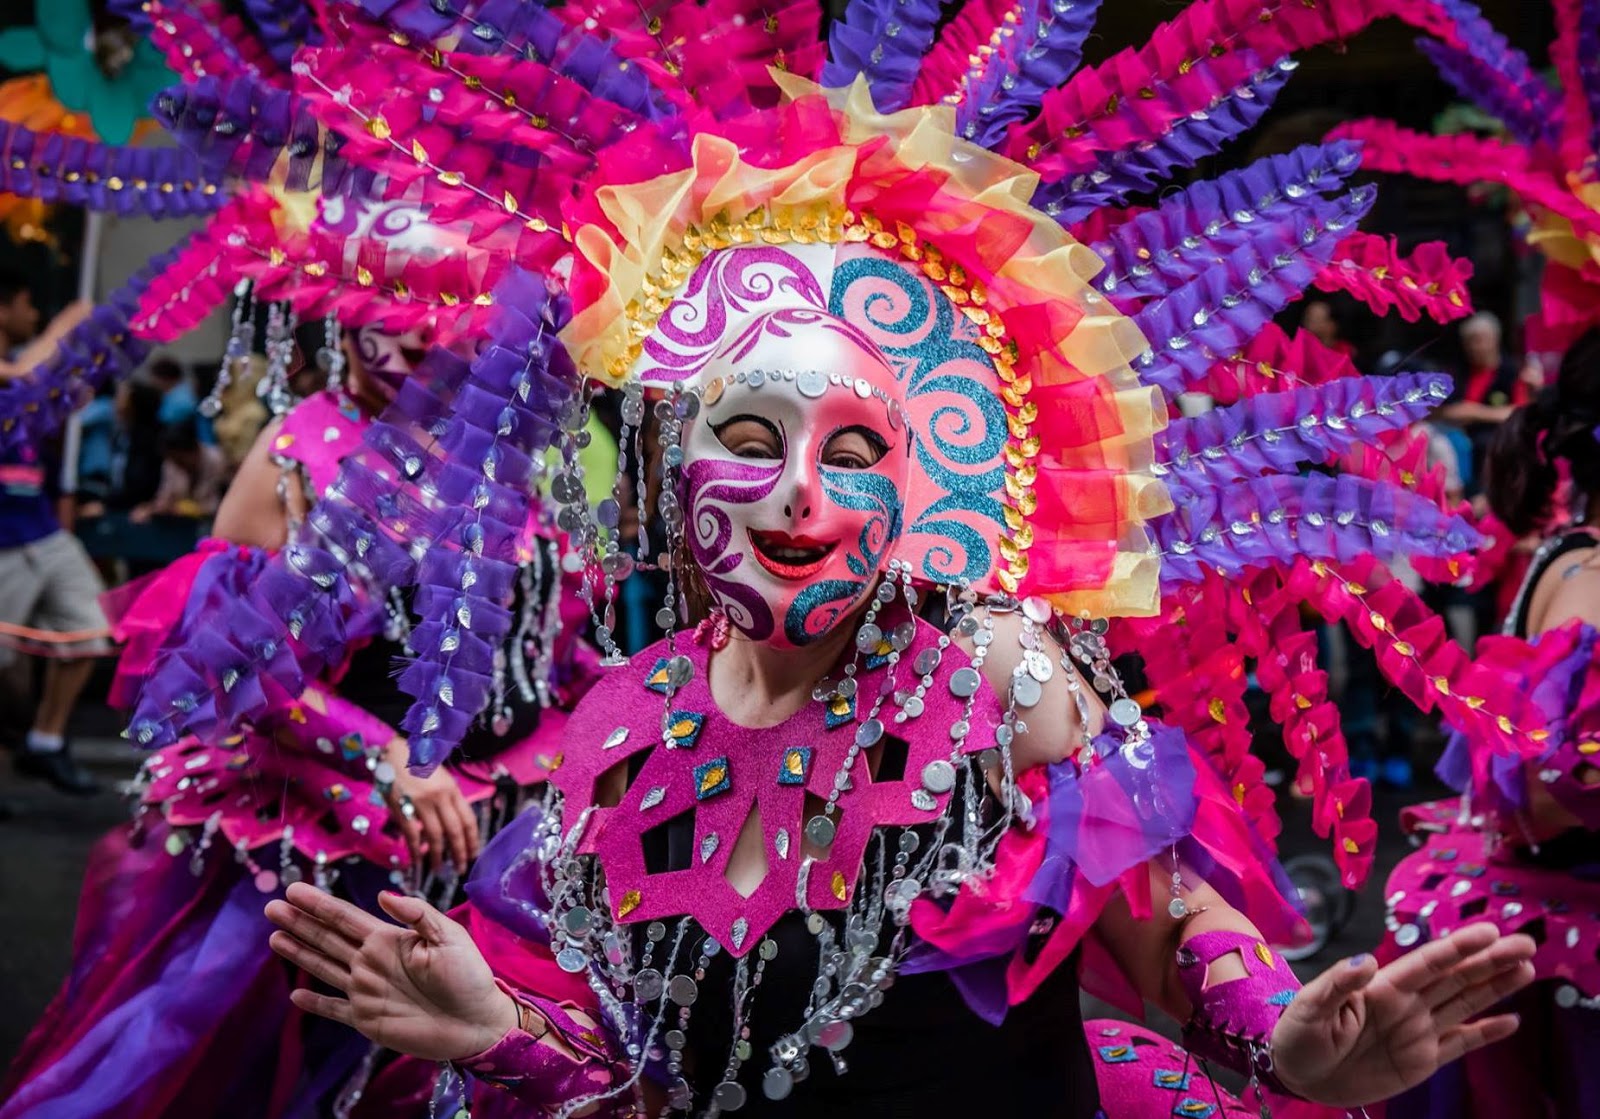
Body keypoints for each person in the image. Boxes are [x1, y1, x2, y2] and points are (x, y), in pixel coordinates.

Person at [0, 290, 106, 795]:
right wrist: (66, 322)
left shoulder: (27, 376)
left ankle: (45, 741)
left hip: (41, 531)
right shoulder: (17, 370)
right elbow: (27, 370)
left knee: (88, 629)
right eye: (28, 304)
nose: (34, 314)